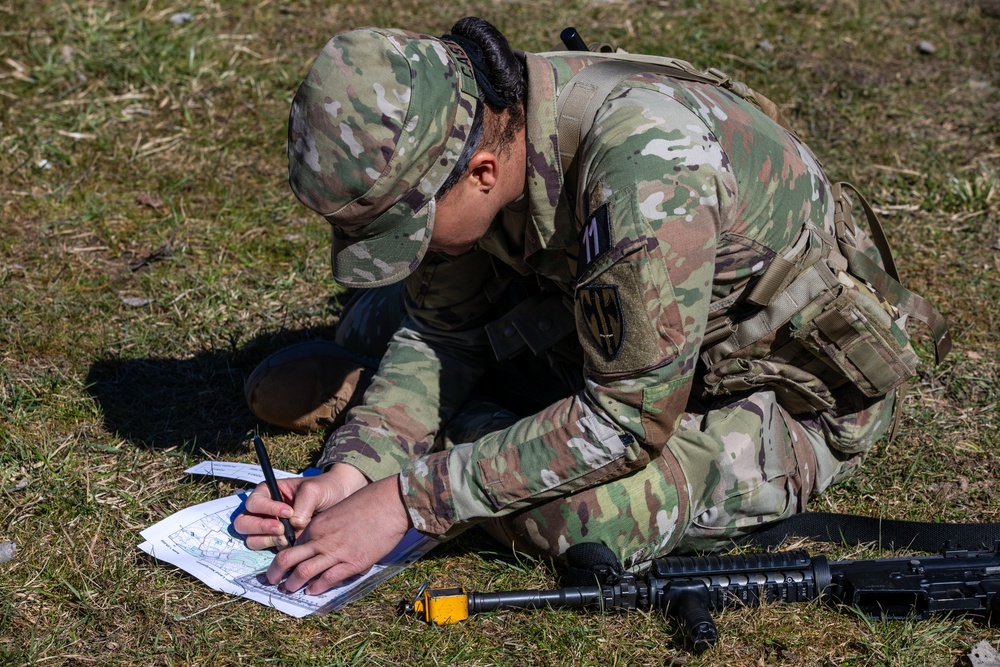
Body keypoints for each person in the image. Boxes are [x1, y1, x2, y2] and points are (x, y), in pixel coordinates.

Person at [233, 17, 933, 596]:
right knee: (376, 318)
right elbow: (441, 329)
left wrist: (408, 497)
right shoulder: (485, 116)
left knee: (584, 519)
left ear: (480, 175)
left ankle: (462, 422)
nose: (407, 250)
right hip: (616, 328)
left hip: (771, 397)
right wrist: (354, 469)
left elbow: (627, 420)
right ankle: (451, 418)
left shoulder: (646, 177)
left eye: (407, 229)